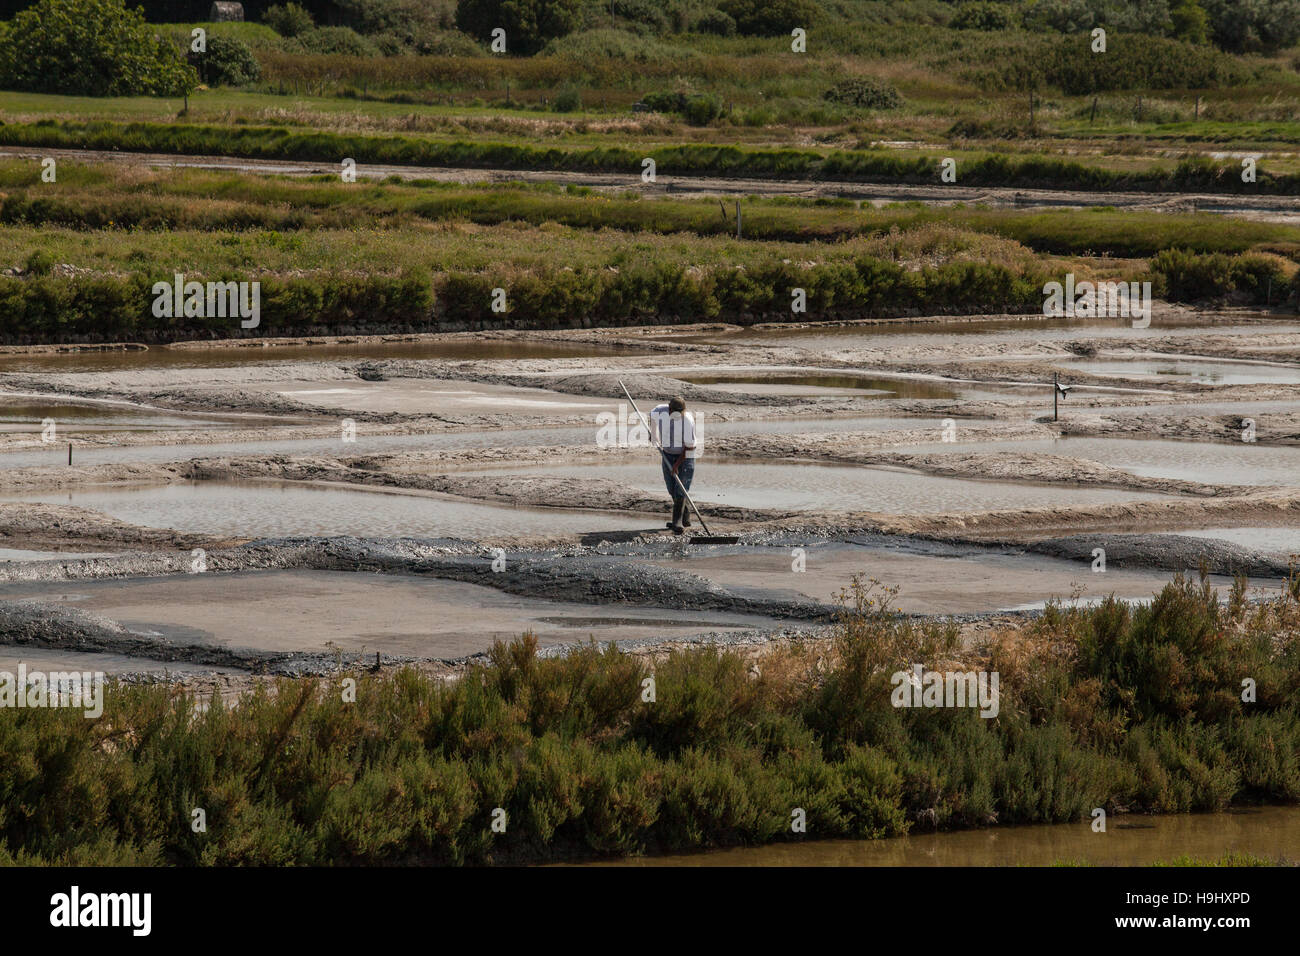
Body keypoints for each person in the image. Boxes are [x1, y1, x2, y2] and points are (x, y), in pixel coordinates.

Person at [650, 395, 697, 535]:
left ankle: (677, 522)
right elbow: (652, 414)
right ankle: (685, 519)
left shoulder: (687, 420)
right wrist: (653, 433)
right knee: (672, 488)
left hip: (686, 456)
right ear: (669, 410)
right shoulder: (660, 410)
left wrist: (677, 464)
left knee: (680, 489)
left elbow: (690, 447)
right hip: (667, 453)